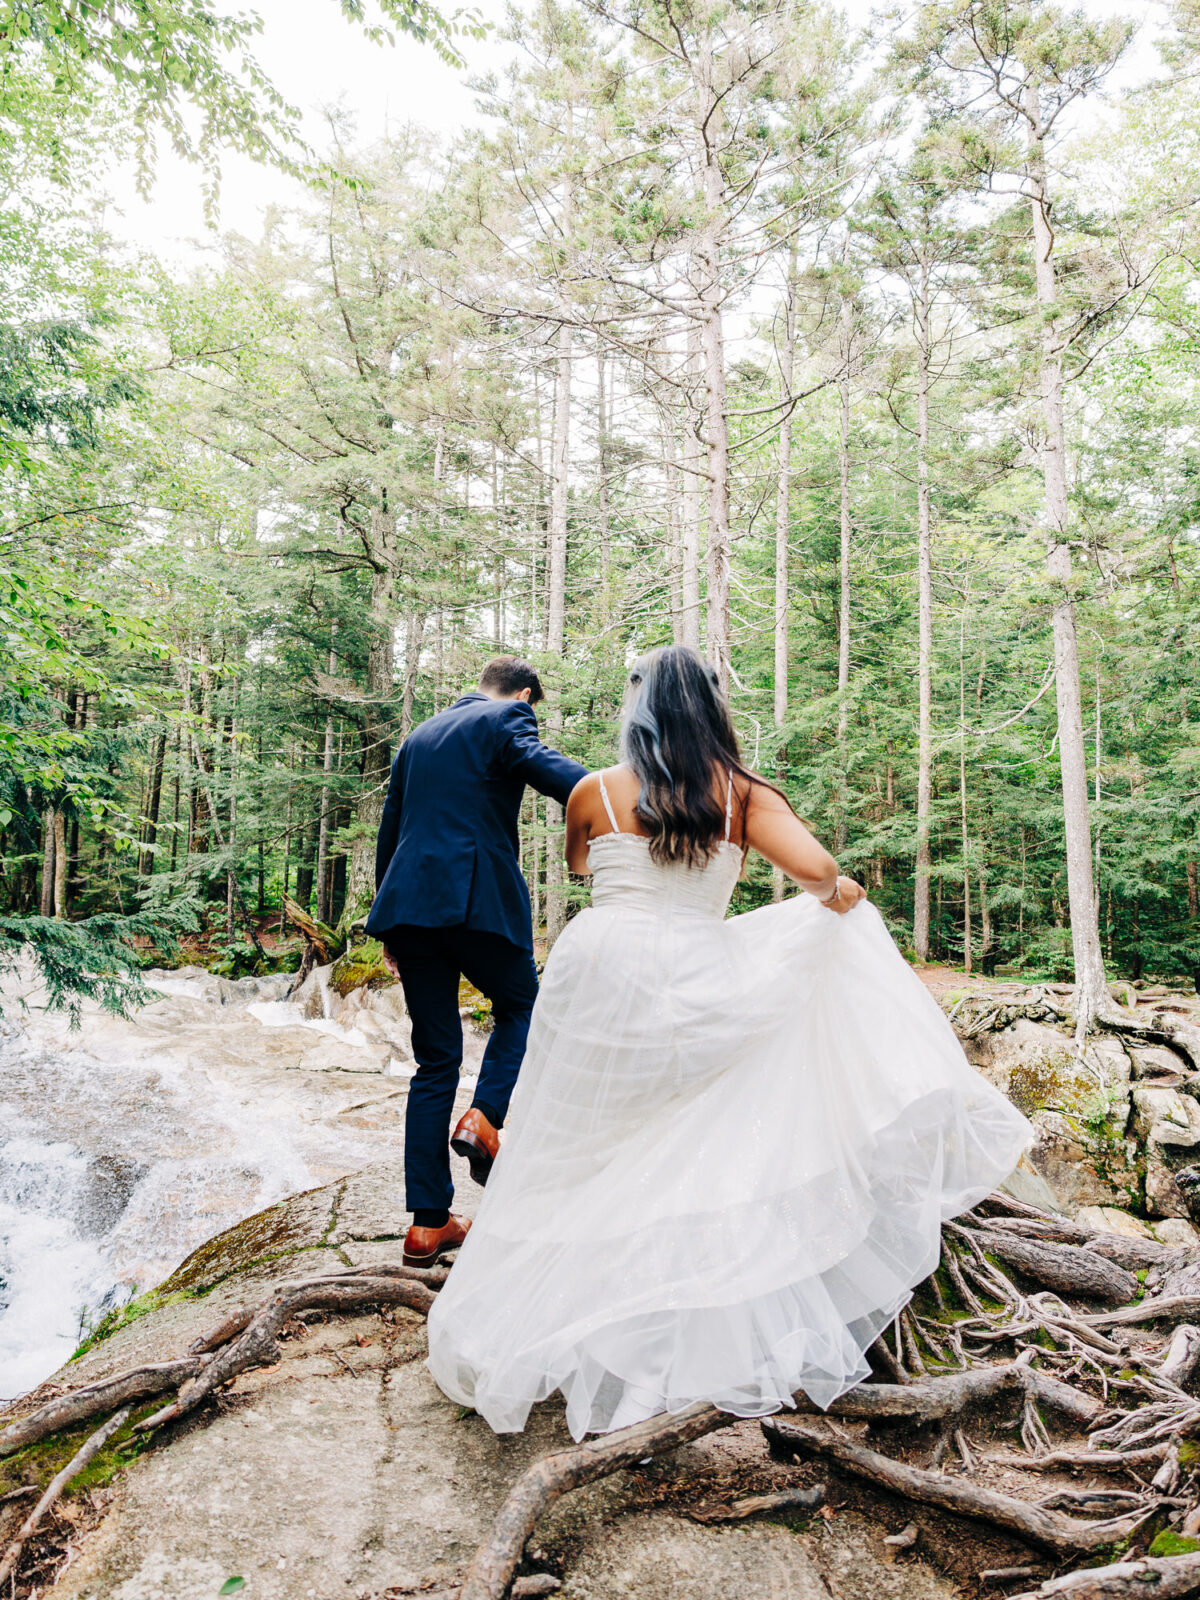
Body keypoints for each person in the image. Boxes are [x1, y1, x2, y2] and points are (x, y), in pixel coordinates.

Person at [426, 645, 1031, 1440]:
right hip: (696, 970)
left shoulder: (591, 791)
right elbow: (816, 869)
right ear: (713, 710)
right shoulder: (741, 793)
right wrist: (837, 893)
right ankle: (667, 1320)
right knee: (691, 1128)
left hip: (602, 965)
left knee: (584, 1139)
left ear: (635, 709)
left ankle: (555, 1309)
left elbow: (581, 866)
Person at [366, 656, 588, 1270]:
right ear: (522, 694)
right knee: (522, 1005)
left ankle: (427, 1226)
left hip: (408, 909)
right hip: (476, 902)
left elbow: (393, 830)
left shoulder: (419, 737)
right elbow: (552, 773)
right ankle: (486, 1117)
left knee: (434, 1062)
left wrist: (387, 919)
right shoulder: (508, 717)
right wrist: (625, 787)